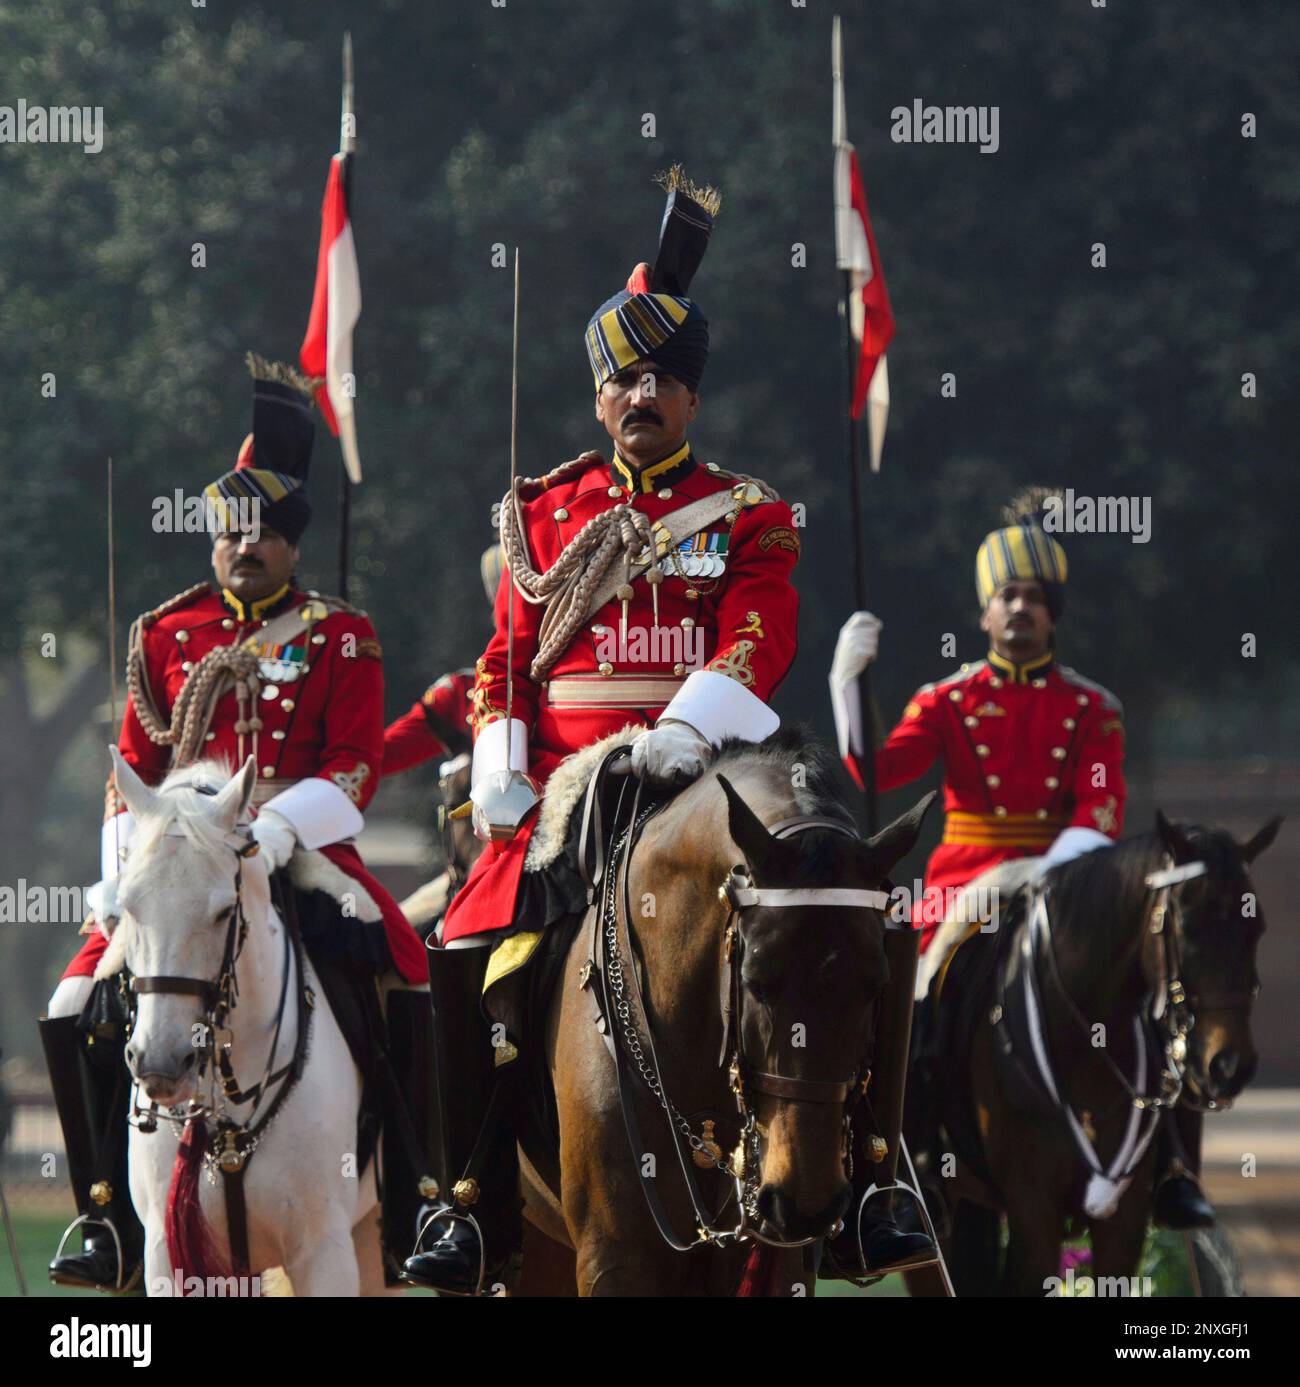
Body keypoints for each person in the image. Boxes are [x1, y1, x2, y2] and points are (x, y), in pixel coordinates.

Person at [402, 169, 805, 1294]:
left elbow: (758, 638)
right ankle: (465, 1200)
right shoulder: (544, 511)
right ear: (597, 399)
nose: (644, 393)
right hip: (564, 795)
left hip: (701, 776)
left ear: (692, 401)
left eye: (665, 379)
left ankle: (868, 1177)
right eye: (626, 376)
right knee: (461, 951)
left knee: (835, 922)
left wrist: (683, 730)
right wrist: (497, 756)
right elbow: (505, 658)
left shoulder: (748, 513)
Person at [39, 354, 427, 1291]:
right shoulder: (166, 637)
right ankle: (102, 1219)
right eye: (229, 533)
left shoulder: (341, 634)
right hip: (177, 867)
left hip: (300, 847)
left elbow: (359, 764)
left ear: (291, 542)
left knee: (400, 957)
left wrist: (282, 825)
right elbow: (126, 772)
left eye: (262, 534)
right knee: (70, 1002)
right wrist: (116, 870)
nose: (243, 547)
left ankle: (423, 1192)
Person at [831, 495, 1215, 1229]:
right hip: (966, 884)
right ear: (984, 612)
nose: (1019, 609)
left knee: (1166, 988)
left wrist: (1068, 865)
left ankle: (1170, 1169)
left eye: (1035, 598)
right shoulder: (946, 698)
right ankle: (904, 1166)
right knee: (912, 1003)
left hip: (1067, 877)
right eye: (1007, 595)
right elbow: (876, 770)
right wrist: (849, 683)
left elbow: (1101, 798)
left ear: (1053, 614)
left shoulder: (1092, 706)